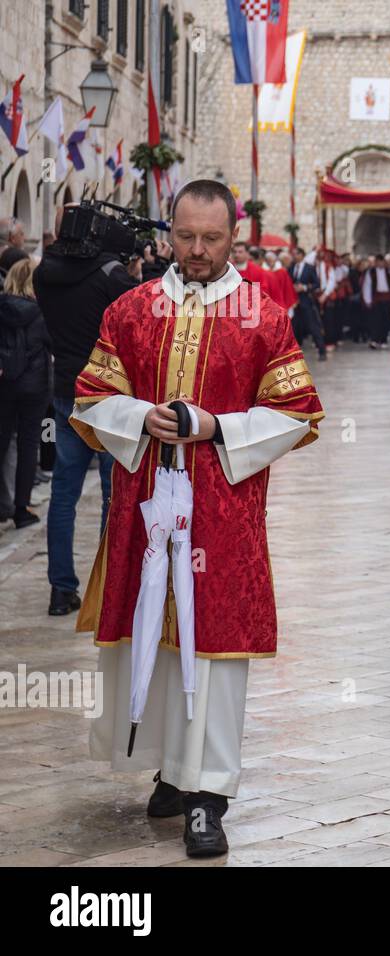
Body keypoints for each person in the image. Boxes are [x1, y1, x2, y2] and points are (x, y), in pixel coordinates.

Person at [70, 179, 324, 859]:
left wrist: (217, 427)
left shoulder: (263, 316)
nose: (198, 250)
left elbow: (298, 412)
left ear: (234, 237)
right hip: (145, 505)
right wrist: (135, 417)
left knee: (213, 649)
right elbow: (92, 395)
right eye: (186, 236)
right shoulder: (132, 308)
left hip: (224, 513)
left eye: (212, 239)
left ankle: (207, 795)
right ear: (170, 233)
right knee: (149, 636)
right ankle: (165, 767)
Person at [32, 204, 138, 615]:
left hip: (65, 390)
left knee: (63, 495)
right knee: (114, 495)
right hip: (108, 393)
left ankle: (61, 589)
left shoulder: (44, 273)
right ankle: (109, 585)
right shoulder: (110, 275)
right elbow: (138, 317)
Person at [0, 258, 52, 529]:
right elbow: (53, 344)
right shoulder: (41, 312)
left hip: (5, 382)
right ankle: (21, 508)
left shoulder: (2, 308)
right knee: (28, 445)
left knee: (2, 442)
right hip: (34, 386)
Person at [290, 247, 326, 361]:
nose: (294, 256)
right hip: (294, 302)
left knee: (313, 326)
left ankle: (321, 351)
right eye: (293, 254)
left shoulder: (309, 268)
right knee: (294, 328)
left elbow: (316, 284)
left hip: (306, 301)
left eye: (296, 254)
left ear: (301, 255)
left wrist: (304, 287)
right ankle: (293, 354)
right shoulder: (291, 268)